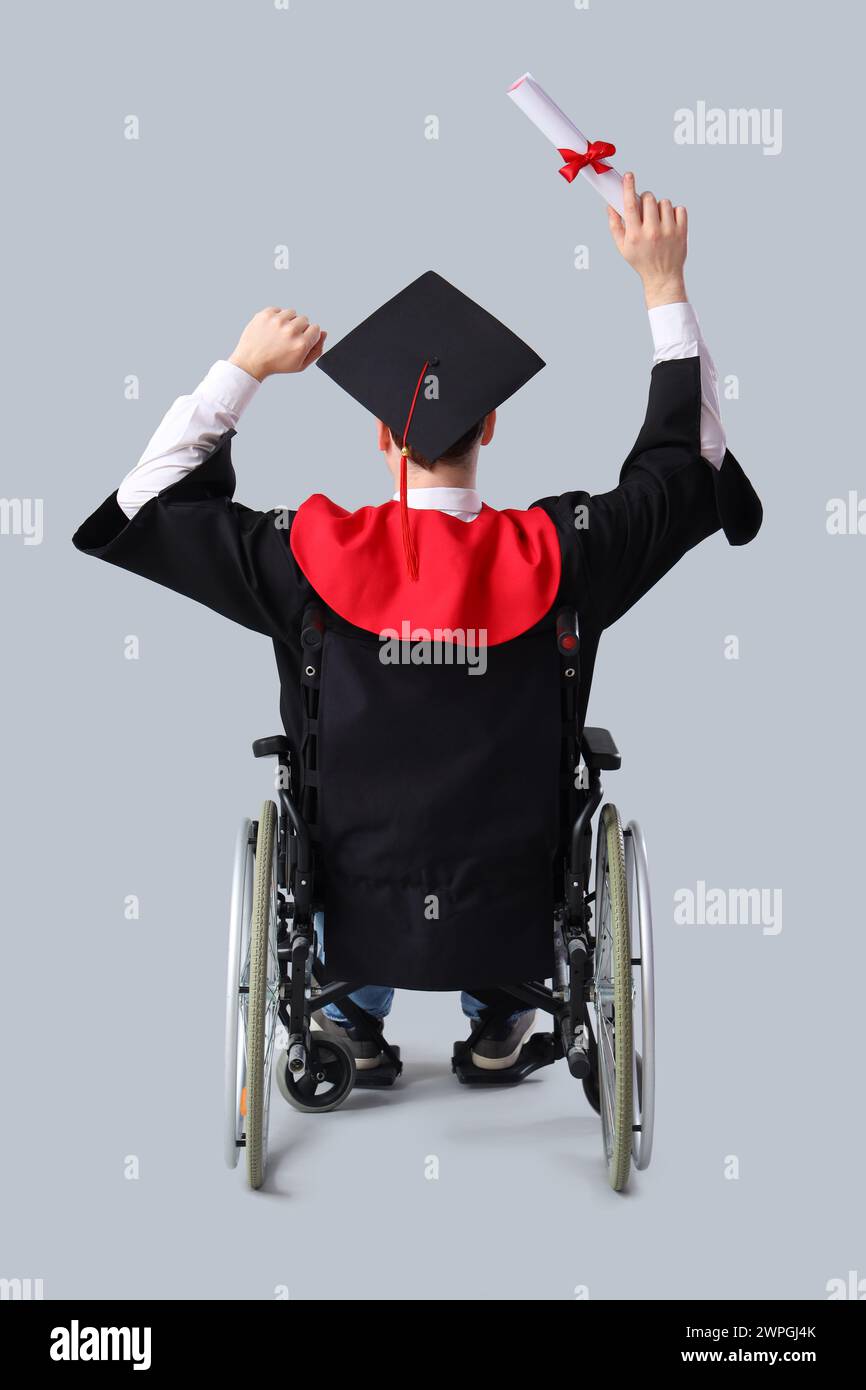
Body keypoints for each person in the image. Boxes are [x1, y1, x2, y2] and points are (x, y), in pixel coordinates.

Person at [73, 174, 761, 1072]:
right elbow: (687, 464)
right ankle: (504, 1008)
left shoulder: (305, 557)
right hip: (517, 903)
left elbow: (147, 499)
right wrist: (662, 283)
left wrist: (240, 369)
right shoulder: (569, 551)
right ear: (494, 426)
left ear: (382, 439)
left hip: (354, 899)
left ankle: (352, 1008)